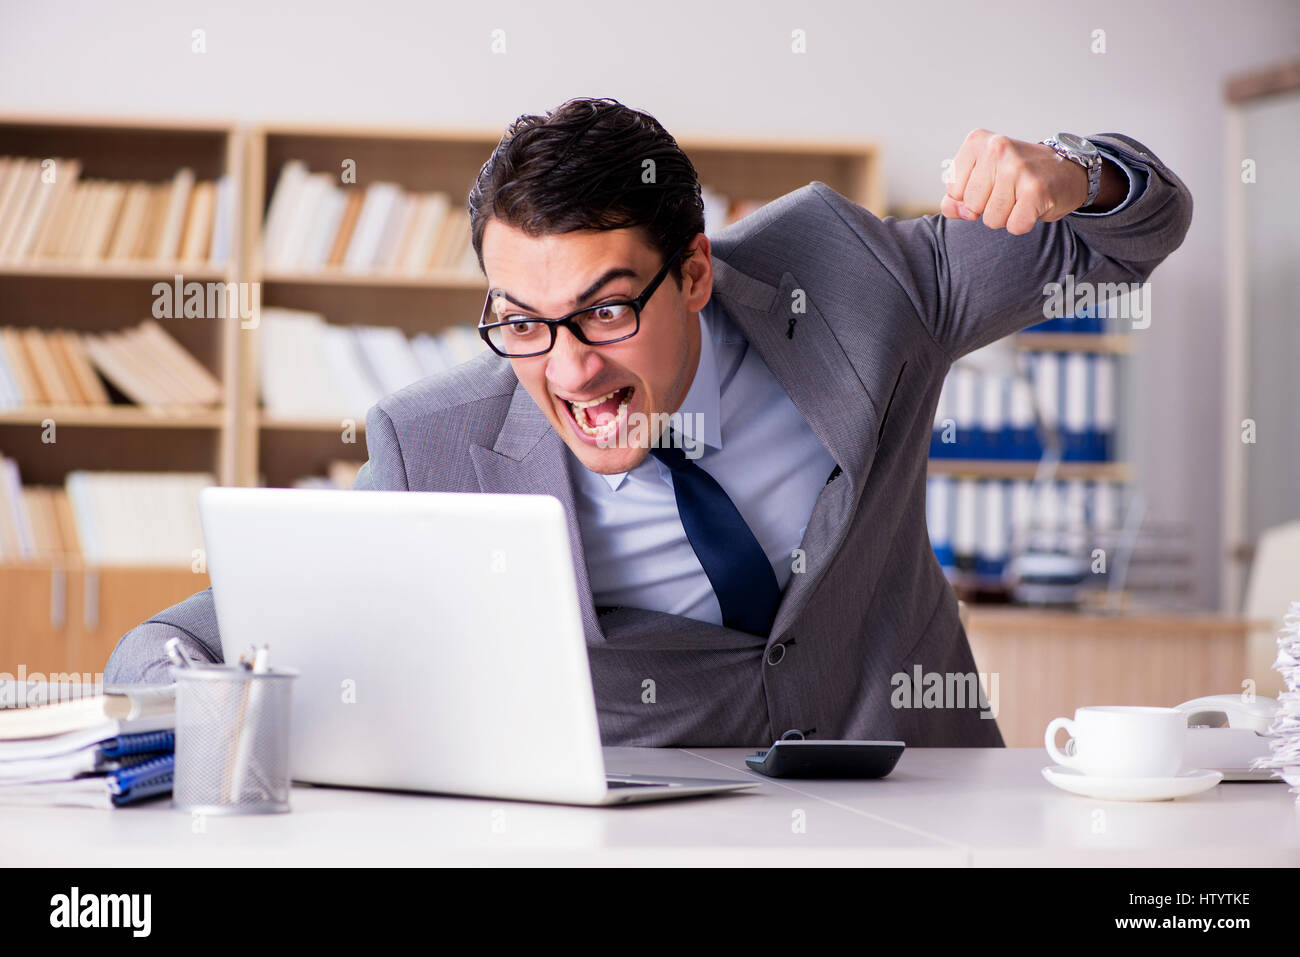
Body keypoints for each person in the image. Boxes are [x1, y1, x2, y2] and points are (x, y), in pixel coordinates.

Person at [105, 97, 1192, 747]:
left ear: (697, 273)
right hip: (663, 829)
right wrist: (177, 678)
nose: (571, 367)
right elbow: (209, 633)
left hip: (925, 779)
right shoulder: (437, 447)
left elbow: (1133, 234)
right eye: (521, 321)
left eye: (606, 309)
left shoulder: (855, 281)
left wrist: (1076, 172)